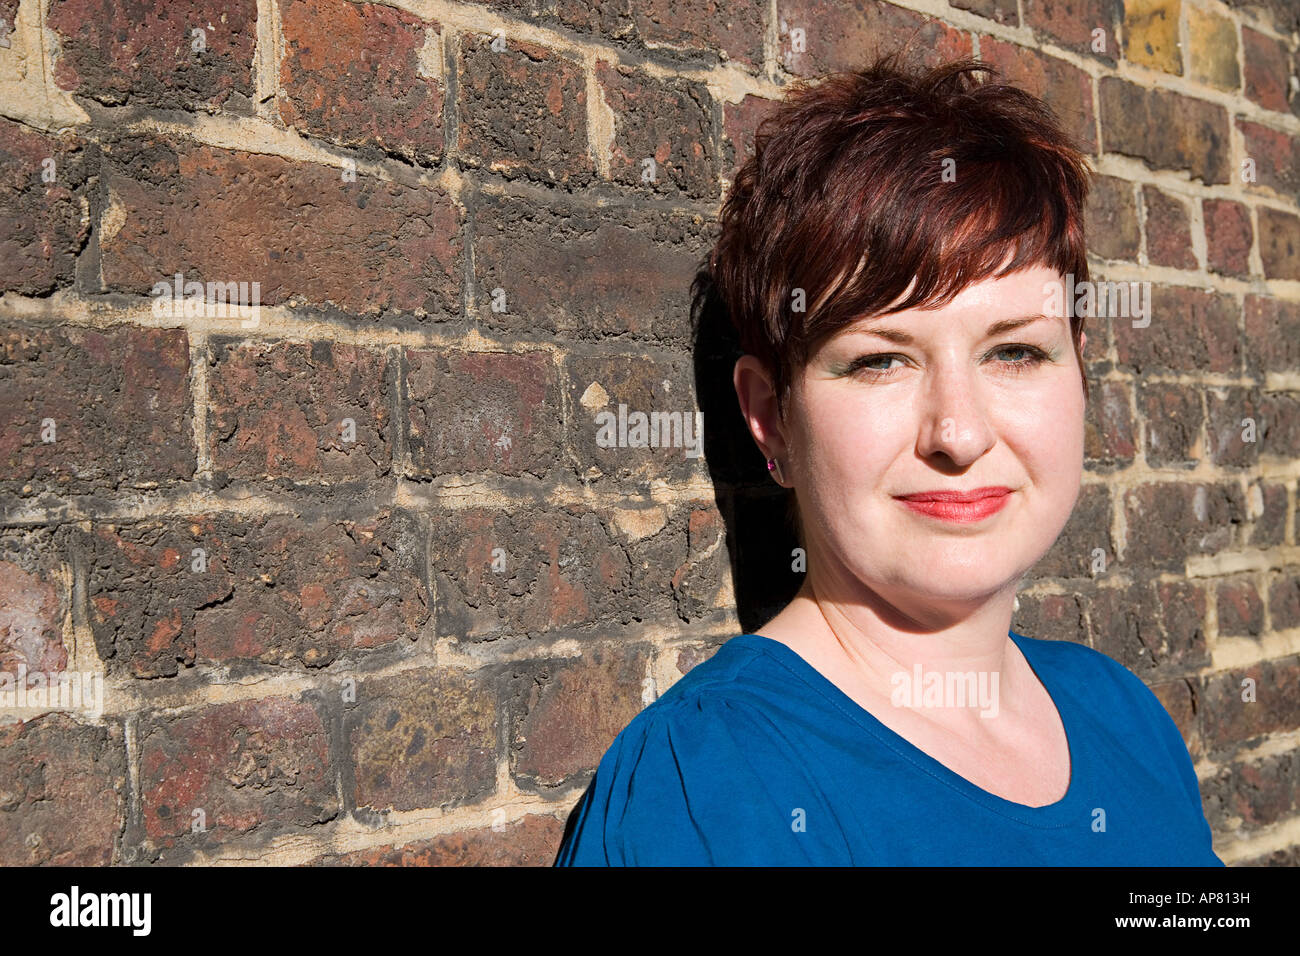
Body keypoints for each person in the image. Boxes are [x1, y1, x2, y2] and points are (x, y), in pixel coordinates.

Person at [553, 50, 1223, 866]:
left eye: (1014, 352)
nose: (959, 432)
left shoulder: (1125, 716)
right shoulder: (707, 793)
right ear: (773, 420)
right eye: (880, 361)